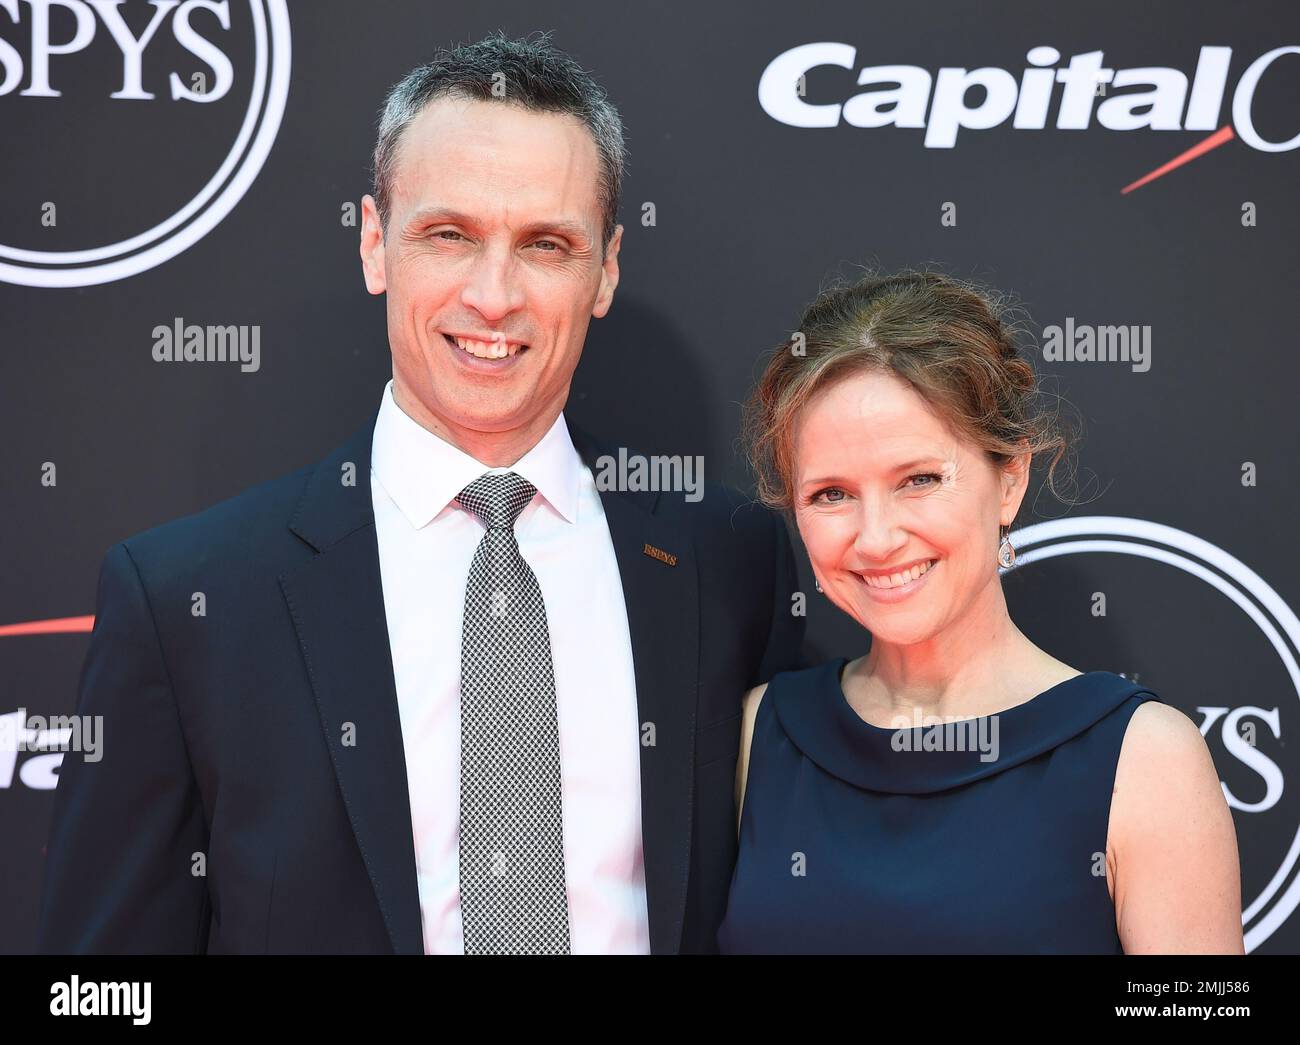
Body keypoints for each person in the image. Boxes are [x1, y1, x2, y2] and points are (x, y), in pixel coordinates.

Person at [37, 31, 803, 956]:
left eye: (546, 244)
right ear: (374, 243)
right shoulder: (187, 599)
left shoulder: (729, 560)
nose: (493, 295)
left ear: (605, 270)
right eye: (449, 235)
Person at [718, 270, 1244, 954]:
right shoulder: (760, 734)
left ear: (1010, 479)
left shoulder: (1143, 759)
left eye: (920, 480)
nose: (875, 537)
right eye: (830, 495)